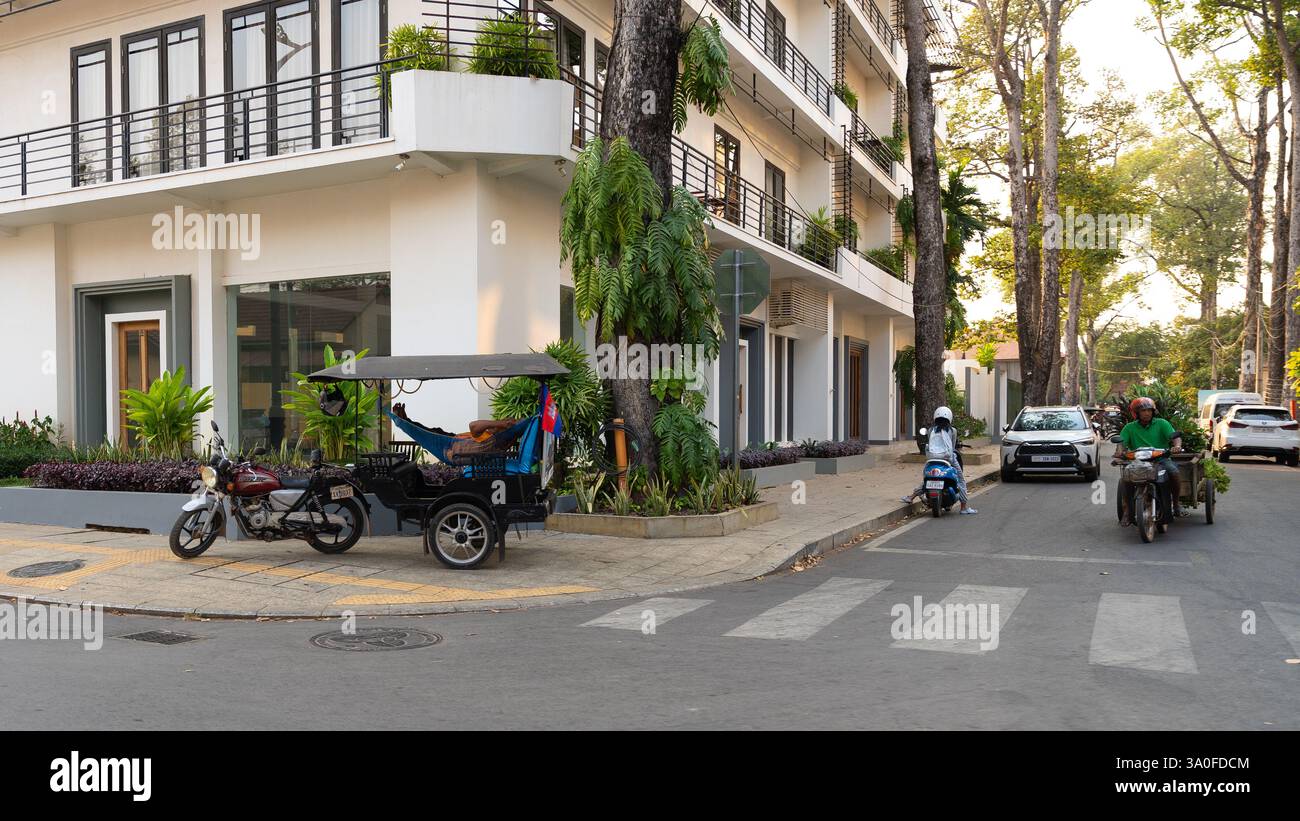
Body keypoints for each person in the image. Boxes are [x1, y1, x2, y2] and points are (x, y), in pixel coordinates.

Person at [1115, 396, 1183, 525]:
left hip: (1161, 459)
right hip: (1138, 462)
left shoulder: (1162, 423)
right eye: (1143, 411)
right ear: (1136, 413)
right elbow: (1121, 444)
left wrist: (1177, 446)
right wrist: (1119, 453)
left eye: (1149, 410)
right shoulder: (1129, 428)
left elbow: (1174, 437)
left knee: (1174, 471)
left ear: (1153, 411)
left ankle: (1176, 504)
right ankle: (1127, 511)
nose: (1147, 413)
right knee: (1126, 479)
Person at [901, 406, 978, 514]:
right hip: (947, 459)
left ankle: (911, 497)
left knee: (926, 479)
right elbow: (952, 446)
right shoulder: (952, 430)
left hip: (932, 459)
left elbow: (931, 443)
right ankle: (963, 508)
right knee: (961, 480)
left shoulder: (931, 430)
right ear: (949, 418)